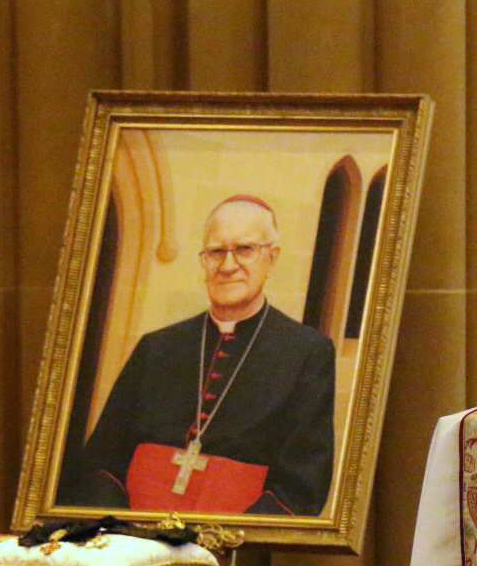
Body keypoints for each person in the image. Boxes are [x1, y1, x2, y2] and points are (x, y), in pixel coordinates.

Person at [63, 195, 335, 516]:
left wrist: (227, 543)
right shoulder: (156, 348)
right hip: (132, 541)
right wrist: (122, 533)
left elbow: (302, 484)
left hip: (235, 551)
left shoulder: (306, 353)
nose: (228, 265)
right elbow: (103, 460)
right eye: (216, 252)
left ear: (272, 259)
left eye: (245, 250)